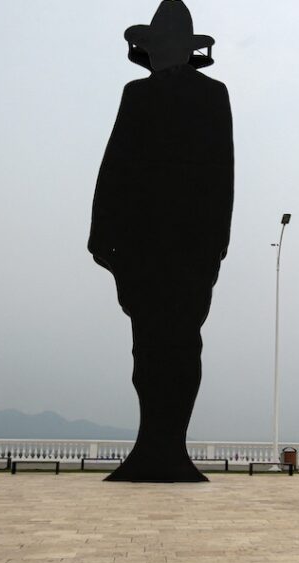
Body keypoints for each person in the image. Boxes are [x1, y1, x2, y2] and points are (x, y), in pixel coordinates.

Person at [88, 0, 234, 482]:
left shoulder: (213, 95)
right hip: (142, 241)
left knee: (182, 342)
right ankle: (152, 442)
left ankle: (170, 445)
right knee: (147, 345)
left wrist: (216, 243)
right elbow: (115, 164)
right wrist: (102, 234)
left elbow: (222, 173)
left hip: (189, 242)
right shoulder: (136, 94)